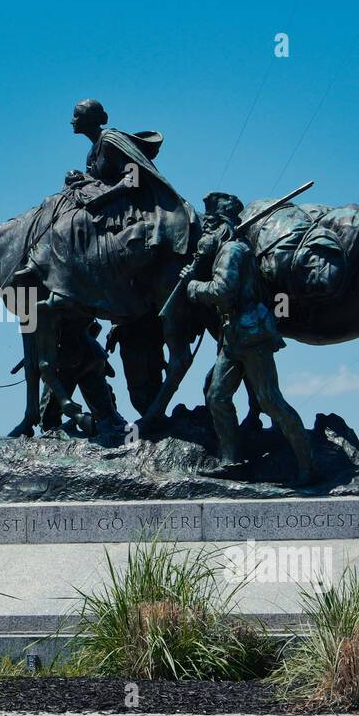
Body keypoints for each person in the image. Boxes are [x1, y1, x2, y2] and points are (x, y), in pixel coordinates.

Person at [185, 192, 315, 485]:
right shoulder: (224, 250)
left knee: (270, 401)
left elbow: (222, 291)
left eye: (209, 224)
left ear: (221, 225)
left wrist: (193, 287)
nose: (204, 231)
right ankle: (232, 461)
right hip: (234, 337)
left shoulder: (232, 251)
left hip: (251, 334)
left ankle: (308, 465)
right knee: (217, 396)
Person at [64, 99, 194, 257]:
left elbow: (133, 177)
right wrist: (78, 177)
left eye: (77, 116)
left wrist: (103, 198)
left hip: (133, 205)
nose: (72, 121)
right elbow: (96, 182)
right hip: (113, 204)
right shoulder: (91, 154)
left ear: (90, 119)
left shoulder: (110, 140)